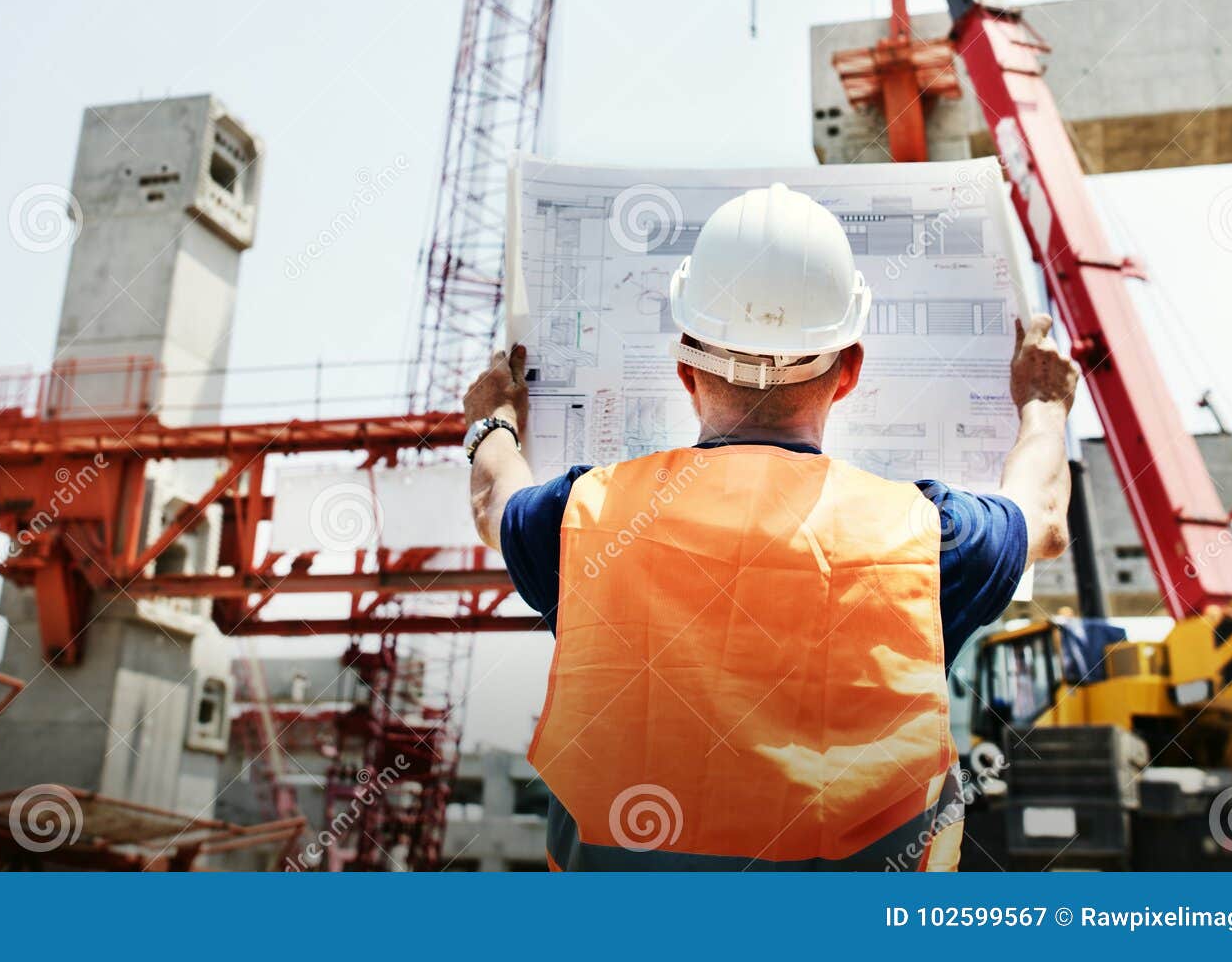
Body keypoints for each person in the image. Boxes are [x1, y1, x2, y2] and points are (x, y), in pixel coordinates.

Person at [462, 183, 1079, 870]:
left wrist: (493, 420)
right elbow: (1044, 517)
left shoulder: (586, 518)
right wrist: (1045, 407)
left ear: (686, 368)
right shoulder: (927, 538)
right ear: (848, 372)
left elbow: (494, 501)